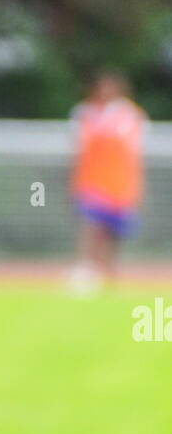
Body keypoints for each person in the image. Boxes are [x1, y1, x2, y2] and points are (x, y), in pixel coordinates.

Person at [69, 70, 147, 285]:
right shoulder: (85, 113)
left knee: (114, 234)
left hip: (120, 186)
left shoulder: (129, 115)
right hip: (92, 183)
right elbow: (80, 149)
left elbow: (132, 153)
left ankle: (109, 272)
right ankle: (86, 269)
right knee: (90, 227)